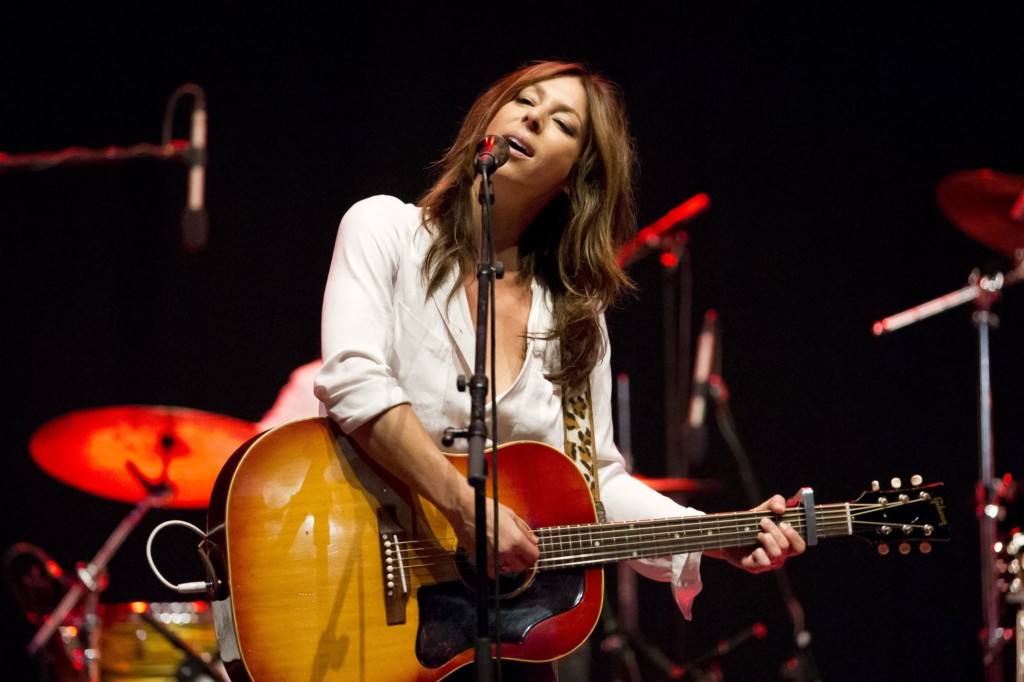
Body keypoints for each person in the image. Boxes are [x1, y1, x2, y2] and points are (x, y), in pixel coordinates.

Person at [314, 60, 805, 681]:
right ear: (489, 117)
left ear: (577, 178)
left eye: (562, 122)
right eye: (523, 98)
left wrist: (716, 536)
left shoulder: (576, 318)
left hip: (488, 635)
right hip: (352, 578)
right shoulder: (383, 230)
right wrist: (465, 508)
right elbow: (354, 381)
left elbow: (594, 482)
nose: (533, 116)